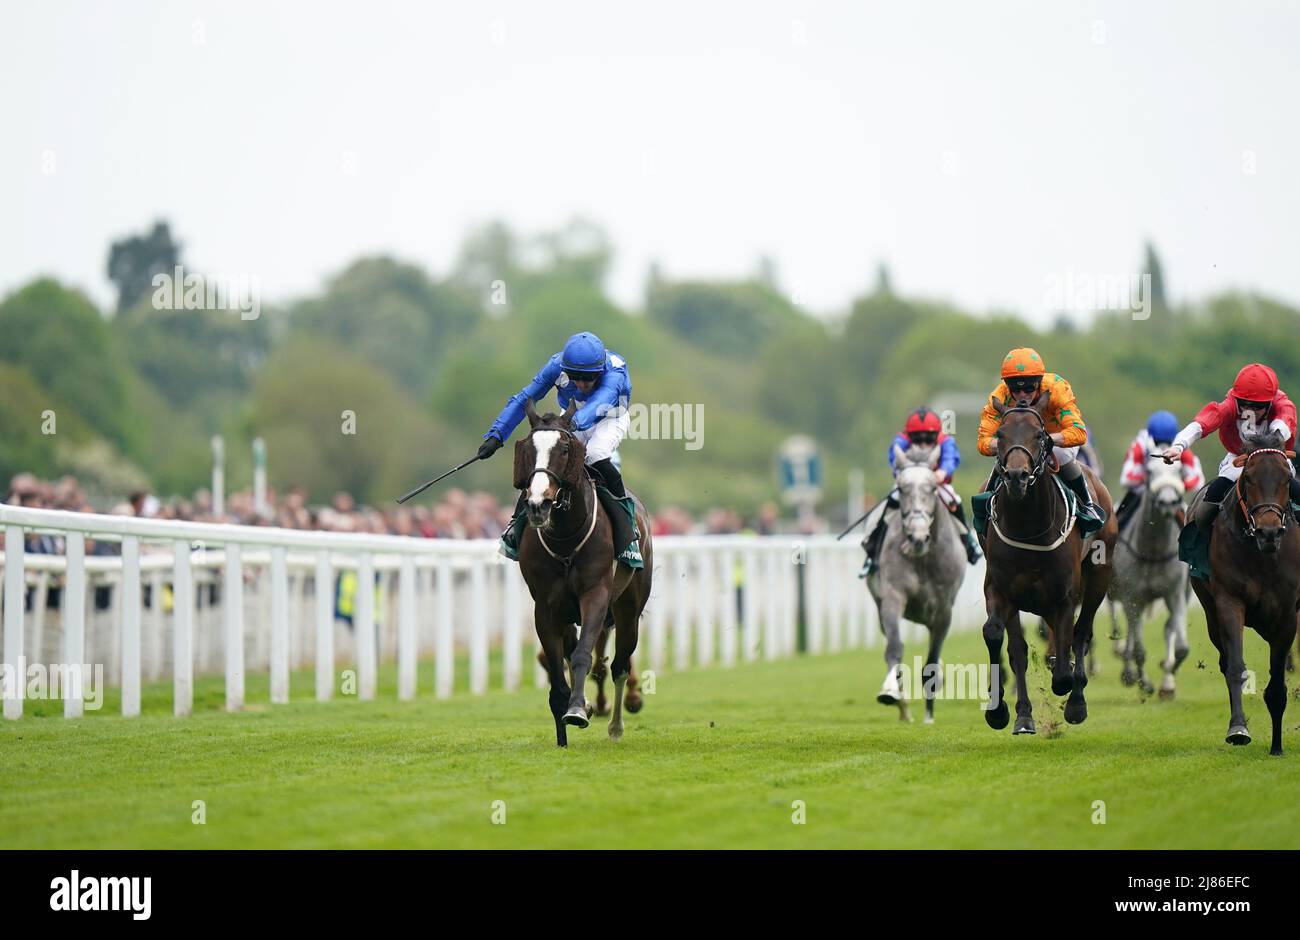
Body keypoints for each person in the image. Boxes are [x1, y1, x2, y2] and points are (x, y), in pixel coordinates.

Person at [476, 331, 639, 562]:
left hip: (609, 417)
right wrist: (497, 435)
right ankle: (517, 524)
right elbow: (525, 398)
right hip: (571, 418)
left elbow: (600, 402)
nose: (581, 384)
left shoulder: (615, 371)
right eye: (575, 378)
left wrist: (569, 424)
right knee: (547, 457)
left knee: (595, 454)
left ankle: (627, 526)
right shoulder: (555, 365)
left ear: (600, 371)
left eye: (588, 378)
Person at [975, 346, 1105, 533]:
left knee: (1061, 456)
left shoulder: (1056, 389)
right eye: (1016, 390)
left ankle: (1087, 505)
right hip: (1018, 442)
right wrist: (1008, 444)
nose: (1023, 396)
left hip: (1055, 439)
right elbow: (983, 442)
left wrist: (1047, 440)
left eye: (1029, 389)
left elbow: (1079, 432)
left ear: (1039, 382)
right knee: (1009, 459)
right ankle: (986, 505)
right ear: (1007, 387)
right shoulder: (998, 398)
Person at [1160, 362, 1300, 530]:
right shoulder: (1229, 405)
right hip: (1238, 461)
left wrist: (1274, 438)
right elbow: (1202, 424)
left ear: (1270, 402)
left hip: (1274, 460)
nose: (1250, 410)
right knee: (1209, 503)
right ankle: (1199, 549)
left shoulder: (1282, 405)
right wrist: (1178, 446)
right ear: (1237, 398)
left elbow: (1284, 422)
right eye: (1244, 403)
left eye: (1257, 406)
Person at [860, 407, 981, 576]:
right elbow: (894, 459)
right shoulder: (900, 440)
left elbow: (951, 458)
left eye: (928, 439)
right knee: (891, 502)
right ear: (909, 435)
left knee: (955, 500)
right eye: (918, 439)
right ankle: (873, 551)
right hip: (910, 484)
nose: (923, 444)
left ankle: (968, 542)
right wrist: (902, 475)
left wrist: (942, 472)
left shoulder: (945, 439)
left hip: (936, 484)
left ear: (936, 434)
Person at [1114, 410, 1203, 531]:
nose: (1163, 446)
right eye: (1157, 441)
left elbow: (1198, 478)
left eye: (1168, 442)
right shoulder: (1140, 445)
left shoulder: (1180, 446)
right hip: (1141, 493)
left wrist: (1177, 485)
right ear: (1151, 437)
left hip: (1172, 493)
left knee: (1193, 526)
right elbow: (1126, 478)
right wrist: (1148, 478)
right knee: (1114, 519)